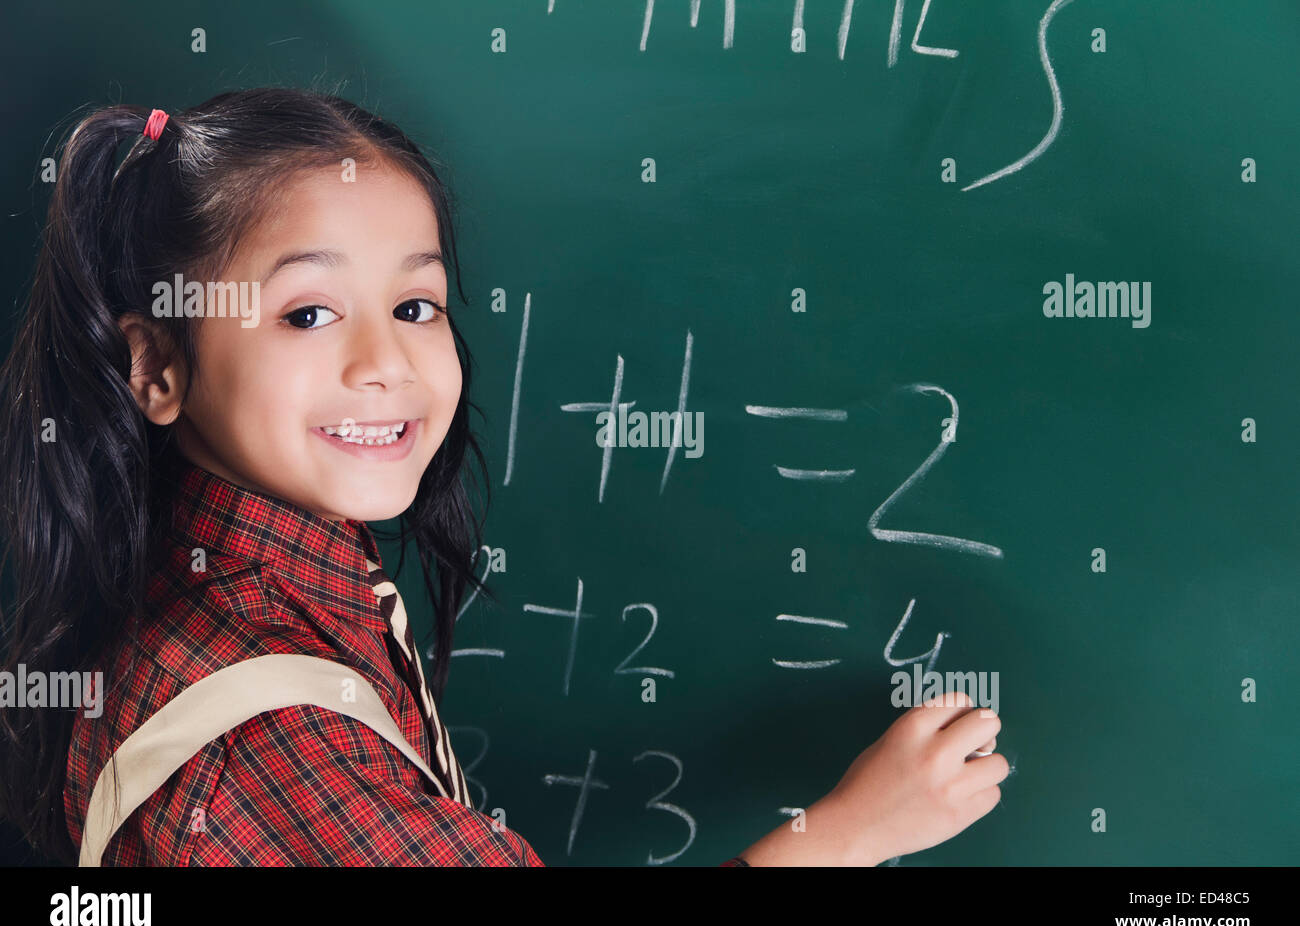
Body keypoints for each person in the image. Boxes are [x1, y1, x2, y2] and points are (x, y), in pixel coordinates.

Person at [0, 87, 1007, 866]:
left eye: (417, 306)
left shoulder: (231, 576)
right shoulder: (275, 744)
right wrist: (844, 833)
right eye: (308, 312)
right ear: (159, 367)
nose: (382, 362)